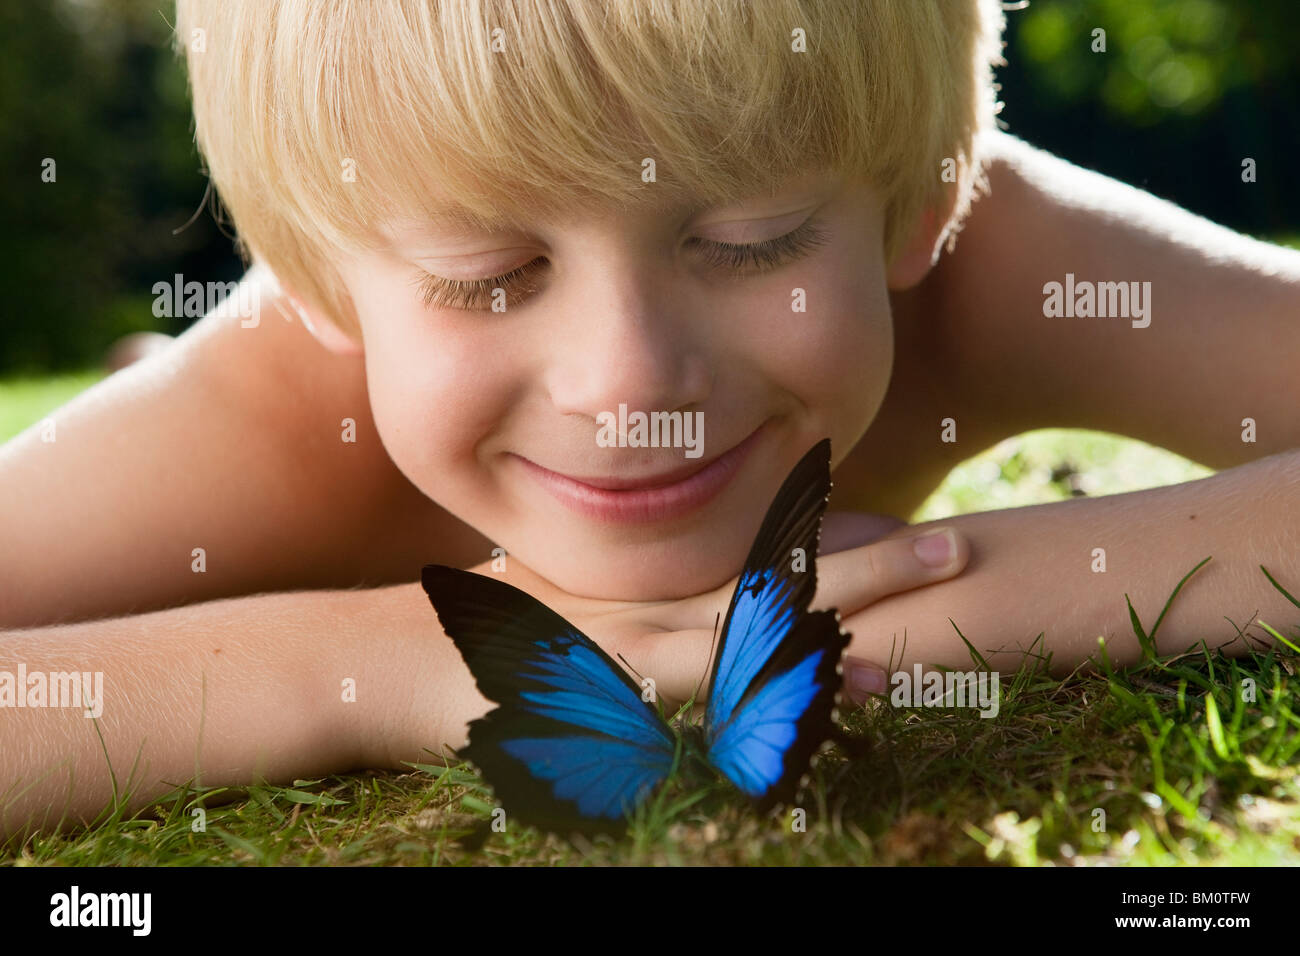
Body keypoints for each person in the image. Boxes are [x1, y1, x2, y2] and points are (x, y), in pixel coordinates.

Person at [1, 0, 1296, 839]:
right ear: (324, 275)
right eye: (486, 274)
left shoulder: (990, 258)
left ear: (921, 199)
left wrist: (982, 585)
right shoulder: (274, 421)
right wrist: (382, 656)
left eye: (753, 241)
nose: (627, 381)